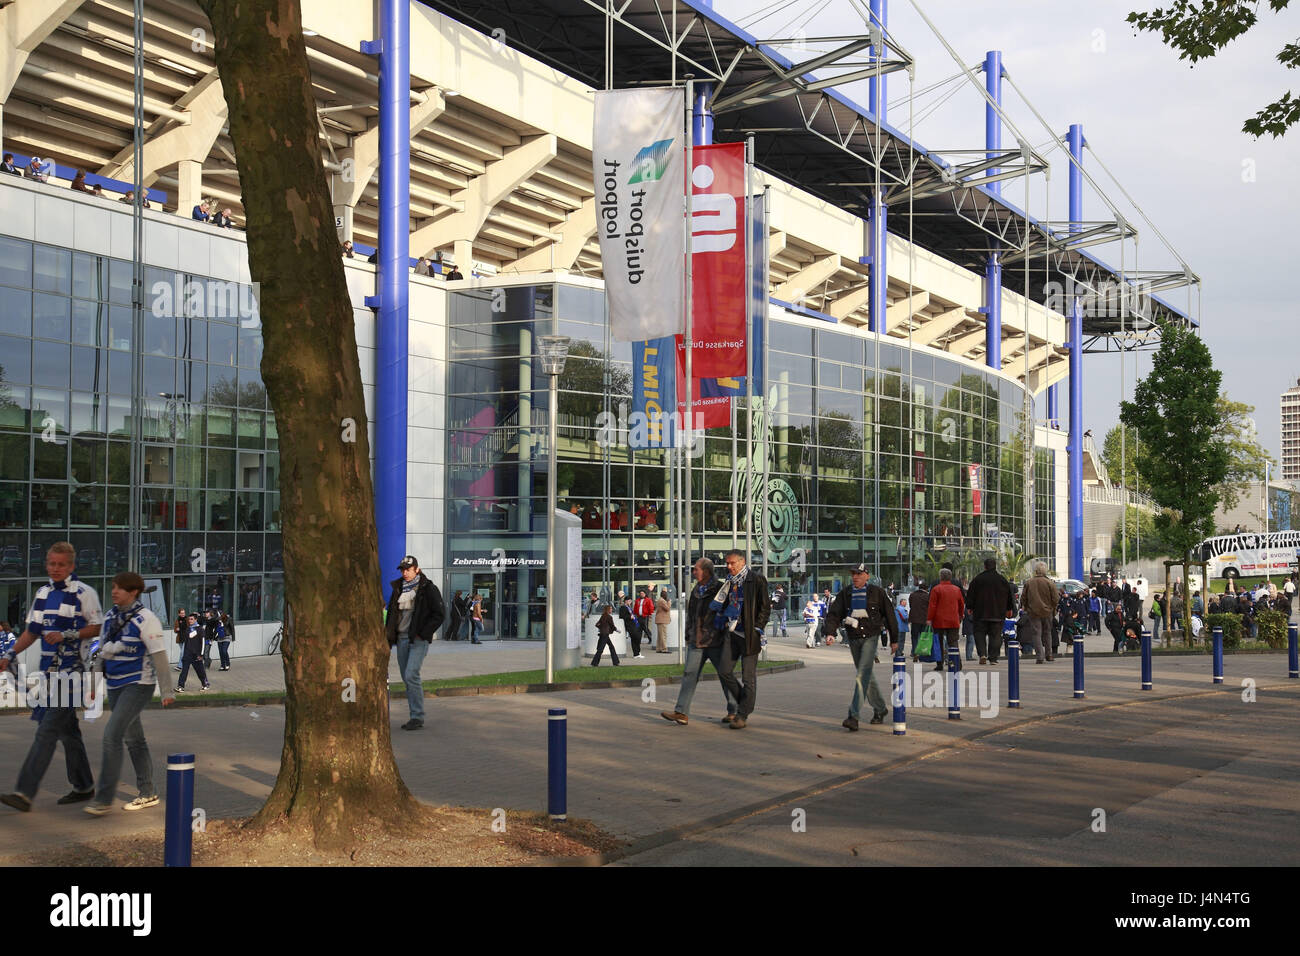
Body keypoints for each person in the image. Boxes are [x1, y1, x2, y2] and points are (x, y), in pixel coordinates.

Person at [0, 542, 104, 812]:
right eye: (52, 564)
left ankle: (24, 792)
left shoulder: (85, 593)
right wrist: (10, 654)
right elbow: (31, 632)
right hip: (49, 675)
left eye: (61, 564)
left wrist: (69, 635)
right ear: (46, 564)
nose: (56, 569)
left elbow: (97, 627)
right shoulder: (43, 593)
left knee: (46, 730)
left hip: (73, 673)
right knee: (68, 732)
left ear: (71, 566)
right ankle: (83, 786)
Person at [83, 572, 175, 815]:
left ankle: (102, 799)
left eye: (120, 588)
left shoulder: (146, 619)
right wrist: (93, 686)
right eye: (113, 587)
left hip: (138, 684)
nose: (114, 591)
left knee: (111, 735)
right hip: (115, 685)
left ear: (133, 592)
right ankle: (148, 792)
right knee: (134, 740)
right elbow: (100, 654)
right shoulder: (110, 617)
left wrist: (167, 690)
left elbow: (160, 657)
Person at [660, 558, 737, 723]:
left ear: (706, 571)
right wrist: (688, 635)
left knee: (725, 675)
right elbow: (691, 614)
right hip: (697, 640)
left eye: (696, 569)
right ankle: (681, 712)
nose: (693, 572)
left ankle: (735, 711)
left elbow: (730, 611)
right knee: (689, 675)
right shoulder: (697, 589)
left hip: (716, 641)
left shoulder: (720, 588)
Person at [823, 563, 898, 730]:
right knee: (866, 676)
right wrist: (830, 632)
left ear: (867, 576)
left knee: (861, 675)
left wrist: (894, 639)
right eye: (853, 574)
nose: (855, 577)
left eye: (859, 573)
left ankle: (853, 716)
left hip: (871, 637)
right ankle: (880, 709)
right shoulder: (846, 593)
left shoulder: (877, 593)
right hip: (853, 638)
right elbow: (834, 613)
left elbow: (890, 615)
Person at [385, 555, 446, 730]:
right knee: (407, 678)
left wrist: (423, 633)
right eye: (403, 569)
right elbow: (392, 615)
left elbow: (439, 614)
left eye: (408, 569)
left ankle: (417, 716)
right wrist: (389, 636)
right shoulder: (398, 588)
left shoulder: (428, 588)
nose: (405, 572)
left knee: (411, 674)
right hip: (402, 639)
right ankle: (415, 716)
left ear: (417, 569)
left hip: (418, 639)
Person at [710, 549, 769, 729]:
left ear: (742, 562)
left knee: (748, 677)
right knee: (724, 671)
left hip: (750, 635)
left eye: (732, 563)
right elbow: (724, 603)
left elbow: (765, 607)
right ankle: (745, 701)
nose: (729, 566)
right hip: (732, 633)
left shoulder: (756, 579)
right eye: (727, 563)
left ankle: (742, 715)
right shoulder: (729, 581)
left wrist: (758, 628)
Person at [967, 558, 1015, 665]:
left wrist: (969, 607)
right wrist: (1009, 609)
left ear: (985, 566)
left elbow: (970, 595)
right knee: (996, 635)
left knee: (979, 634)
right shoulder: (1002, 580)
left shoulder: (977, 579)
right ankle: (993, 658)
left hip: (980, 613)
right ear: (995, 566)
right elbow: (1009, 597)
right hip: (998, 613)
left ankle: (982, 654)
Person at [926, 568, 965, 671]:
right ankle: (957, 663)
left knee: (938, 642)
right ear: (950, 577)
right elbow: (961, 604)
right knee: (953, 642)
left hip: (939, 620)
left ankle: (940, 664)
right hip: (953, 620)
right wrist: (960, 615)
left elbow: (932, 605)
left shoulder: (936, 589)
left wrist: (929, 618)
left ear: (940, 577)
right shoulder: (956, 589)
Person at [1021, 561, 1060, 663]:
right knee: (1047, 633)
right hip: (1048, 611)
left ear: (1036, 571)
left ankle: (1039, 656)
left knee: (1036, 634)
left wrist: (1024, 606)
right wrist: (1053, 607)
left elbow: (1023, 597)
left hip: (1033, 612)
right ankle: (1049, 654)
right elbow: (1056, 598)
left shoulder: (1029, 582)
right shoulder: (1049, 583)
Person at [175, 613, 209, 692]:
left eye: (192, 619)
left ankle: (205, 684)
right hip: (187, 654)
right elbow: (185, 643)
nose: (190, 621)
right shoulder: (188, 629)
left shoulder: (200, 629)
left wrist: (201, 654)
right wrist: (183, 654)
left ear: (196, 620)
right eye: (189, 619)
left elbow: (203, 642)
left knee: (200, 671)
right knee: (184, 671)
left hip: (196, 655)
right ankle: (180, 686)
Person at [907, 579, 930, 660]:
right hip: (924, 619)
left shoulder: (912, 595)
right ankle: (922, 652)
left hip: (914, 619)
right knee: (923, 636)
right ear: (926, 589)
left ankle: (914, 652)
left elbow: (910, 605)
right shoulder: (927, 596)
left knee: (914, 636)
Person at [633, 589, 654, 659]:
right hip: (639, 616)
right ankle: (639, 640)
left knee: (645, 628)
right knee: (638, 628)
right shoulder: (637, 600)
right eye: (640, 593)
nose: (641, 594)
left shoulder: (648, 600)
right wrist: (634, 614)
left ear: (645, 594)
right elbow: (635, 607)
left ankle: (650, 638)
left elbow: (651, 607)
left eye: (642, 593)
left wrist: (650, 614)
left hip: (645, 616)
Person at [654, 588, 672, 653]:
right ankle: (664, 649)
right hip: (662, 620)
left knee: (660, 636)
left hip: (660, 620)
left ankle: (658, 648)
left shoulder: (660, 600)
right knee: (663, 635)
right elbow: (667, 608)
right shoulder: (662, 601)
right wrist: (669, 602)